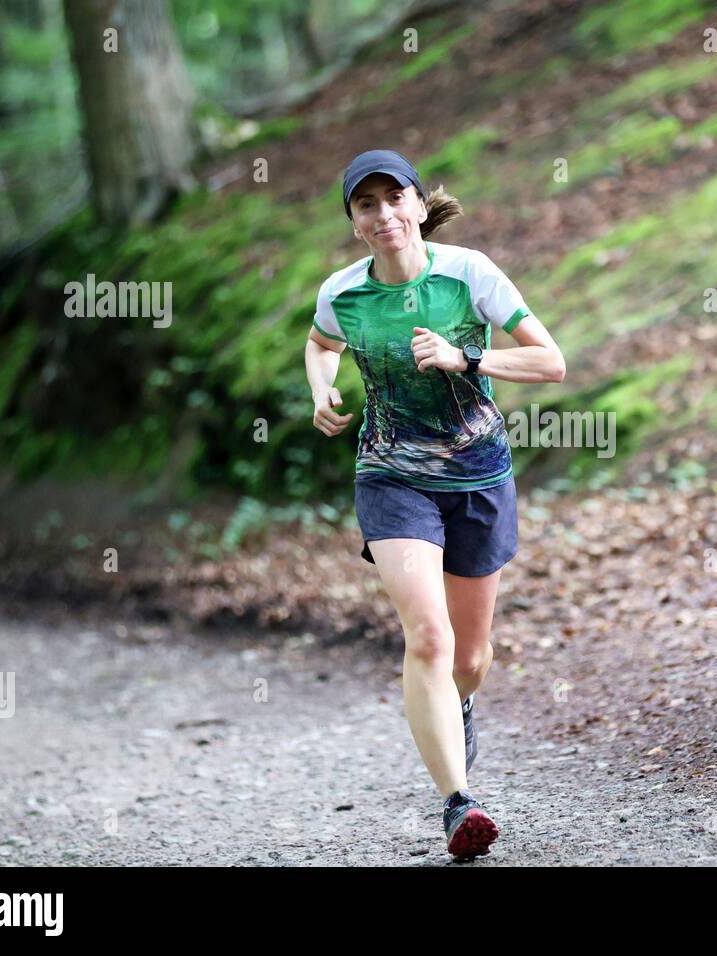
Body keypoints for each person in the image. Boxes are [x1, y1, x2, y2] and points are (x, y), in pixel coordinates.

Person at [304, 148, 566, 860]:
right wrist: (321, 387)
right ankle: (460, 804)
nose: (383, 214)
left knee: (471, 658)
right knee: (428, 636)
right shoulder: (344, 292)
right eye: (366, 204)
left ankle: (461, 702)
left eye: (395, 199)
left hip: (478, 476)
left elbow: (551, 361)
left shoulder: (469, 273)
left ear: (419, 205)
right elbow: (320, 342)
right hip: (391, 477)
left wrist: (467, 359)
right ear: (354, 222)